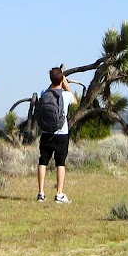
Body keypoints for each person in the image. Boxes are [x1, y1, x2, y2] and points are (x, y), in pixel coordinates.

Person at [37, 65, 77, 203]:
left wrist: (56, 80)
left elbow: (48, 91)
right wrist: (65, 84)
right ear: (61, 79)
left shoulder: (44, 93)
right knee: (60, 163)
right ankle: (59, 194)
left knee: (43, 161)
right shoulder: (66, 95)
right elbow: (75, 101)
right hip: (61, 133)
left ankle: (41, 193)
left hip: (46, 132)